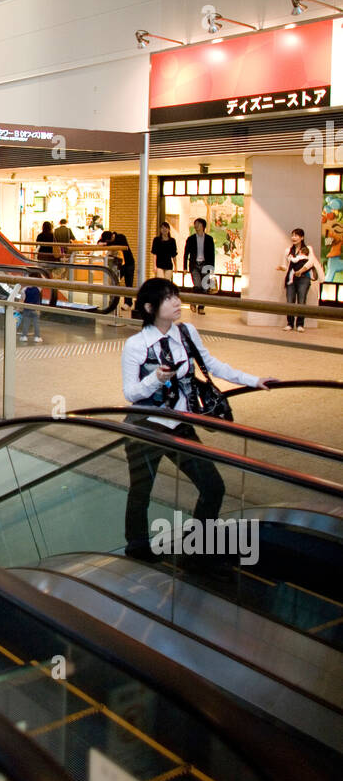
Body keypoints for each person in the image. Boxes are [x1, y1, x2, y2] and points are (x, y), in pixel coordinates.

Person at [121, 278, 272, 564]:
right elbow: (130, 392)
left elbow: (211, 364)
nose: (177, 302)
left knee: (213, 486)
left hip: (180, 424)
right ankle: (137, 545)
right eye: (169, 298)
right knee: (142, 488)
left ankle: (197, 553)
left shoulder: (186, 332)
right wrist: (156, 379)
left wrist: (253, 380)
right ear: (150, 307)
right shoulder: (136, 345)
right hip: (145, 426)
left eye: (176, 296)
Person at [277, 228, 323, 332]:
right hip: (291, 279)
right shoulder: (288, 250)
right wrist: (281, 268)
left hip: (304, 278)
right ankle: (290, 324)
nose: (294, 237)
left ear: (302, 237)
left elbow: (311, 262)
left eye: (296, 235)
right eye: (292, 235)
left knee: (302, 301)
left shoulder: (308, 249)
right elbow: (285, 266)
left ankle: (300, 325)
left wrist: (301, 271)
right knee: (290, 301)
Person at [183, 217, 214, 314]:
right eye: (195, 224)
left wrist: (212, 268)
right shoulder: (191, 239)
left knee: (204, 287)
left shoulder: (209, 239)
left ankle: (201, 307)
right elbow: (186, 253)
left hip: (205, 265)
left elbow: (212, 254)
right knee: (197, 286)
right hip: (194, 265)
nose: (196, 226)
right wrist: (184, 267)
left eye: (198, 224)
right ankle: (193, 303)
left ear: (203, 226)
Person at [17, 272, 43, 344]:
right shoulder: (38, 288)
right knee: (36, 323)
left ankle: (24, 336)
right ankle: (37, 337)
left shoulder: (24, 289)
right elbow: (43, 280)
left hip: (27, 309)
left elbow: (22, 300)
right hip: (36, 309)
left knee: (26, 323)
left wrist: (18, 308)